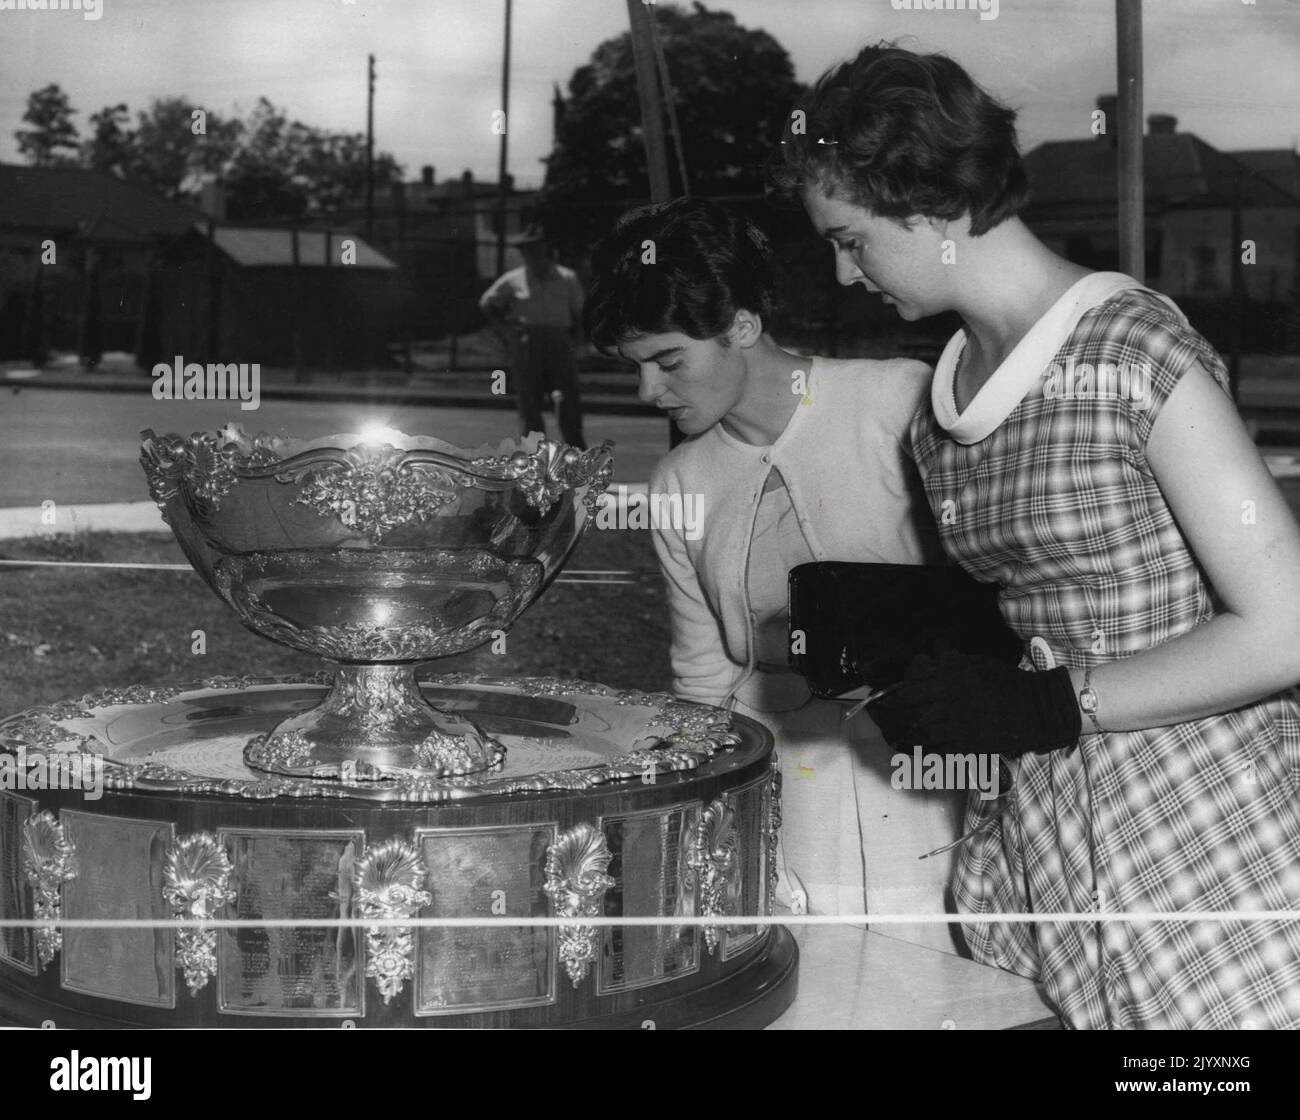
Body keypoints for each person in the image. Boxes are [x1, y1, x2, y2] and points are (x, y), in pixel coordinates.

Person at [773, 43, 1300, 1029]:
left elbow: (1285, 629)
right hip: (1047, 855)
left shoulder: (1129, 347)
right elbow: (1041, 604)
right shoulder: (943, 404)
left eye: (850, 240)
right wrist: (914, 643)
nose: (844, 277)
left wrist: (1046, 702)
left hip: (1204, 850)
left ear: (931, 206)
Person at [584, 197, 967, 948]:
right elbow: (701, 679)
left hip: (923, 779)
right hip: (779, 794)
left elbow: (982, 602)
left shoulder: (895, 401)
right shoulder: (678, 481)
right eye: (636, 369)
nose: (649, 394)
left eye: (669, 362)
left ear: (743, 327)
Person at [479, 225, 587, 448]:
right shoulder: (513, 279)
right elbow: (487, 302)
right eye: (527, 249)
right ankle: (535, 458)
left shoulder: (566, 277)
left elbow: (578, 312)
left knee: (567, 399)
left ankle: (577, 455)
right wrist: (507, 327)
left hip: (559, 341)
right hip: (528, 342)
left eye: (537, 247)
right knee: (529, 401)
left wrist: (577, 340)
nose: (533, 253)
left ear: (546, 248)